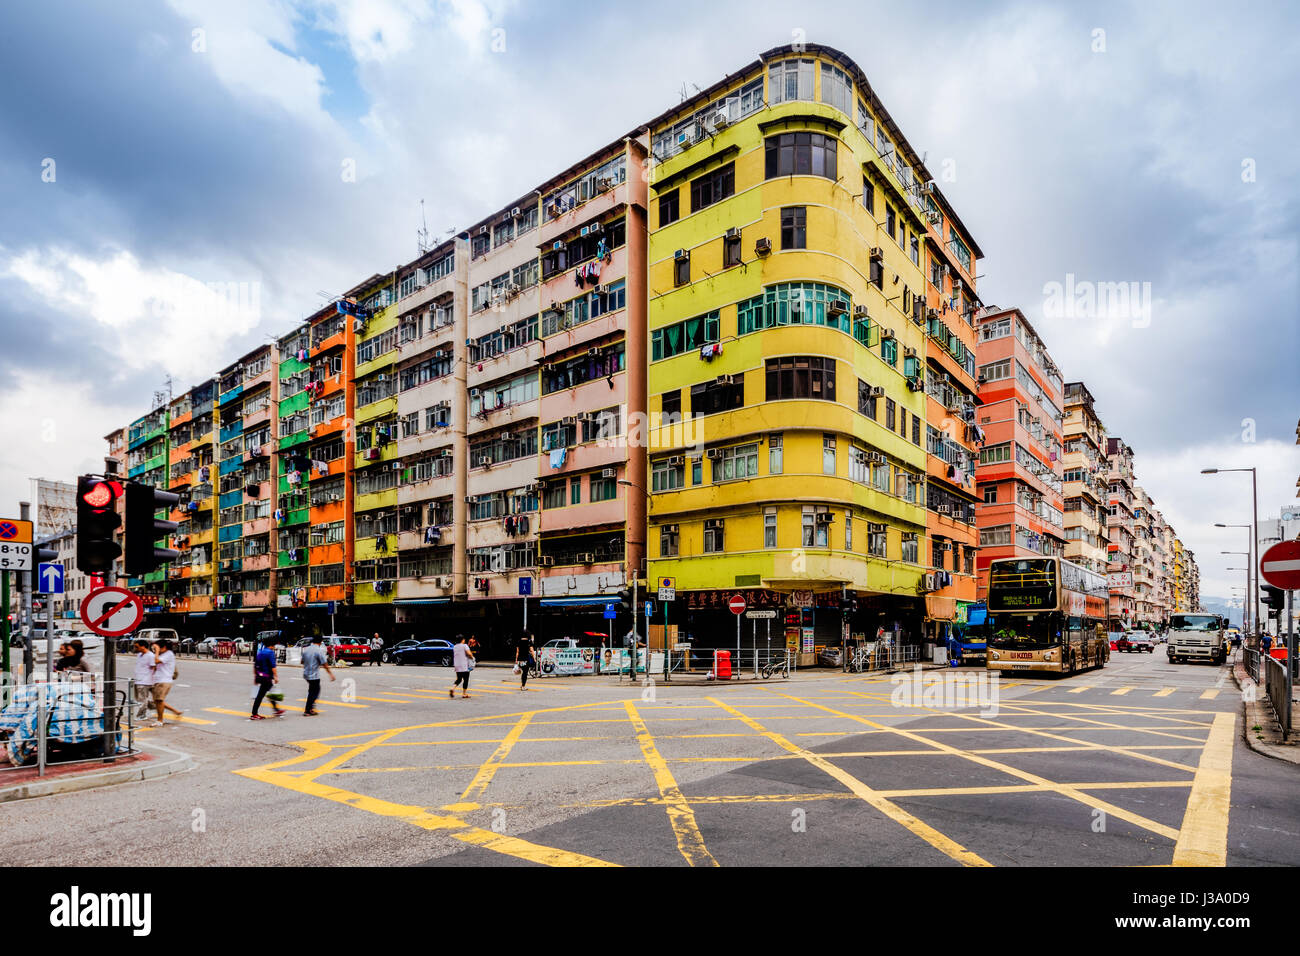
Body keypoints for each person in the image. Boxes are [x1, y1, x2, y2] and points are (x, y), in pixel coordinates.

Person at [151, 639, 183, 726]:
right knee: (158, 701)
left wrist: (157, 651)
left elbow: (156, 661)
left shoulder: (168, 654)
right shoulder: (163, 654)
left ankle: (160, 720)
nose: (155, 650)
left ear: (164, 647)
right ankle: (175, 712)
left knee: (159, 700)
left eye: (157, 648)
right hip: (158, 680)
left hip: (164, 681)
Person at [301, 635, 335, 716]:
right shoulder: (318, 651)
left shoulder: (306, 649)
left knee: (312, 691)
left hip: (306, 673)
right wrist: (330, 674)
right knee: (315, 692)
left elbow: (302, 661)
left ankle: (310, 708)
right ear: (320, 642)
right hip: (314, 675)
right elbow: (324, 663)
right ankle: (308, 710)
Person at [251, 638, 285, 719]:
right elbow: (273, 666)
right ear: (272, 645)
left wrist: (255, 677)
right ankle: (254, 714)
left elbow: (255, 666)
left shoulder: (260, 652)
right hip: (266, 677)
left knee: (268, 692)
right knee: (260, 695)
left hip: (260, 676)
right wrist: (276, 676)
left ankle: (276, 710)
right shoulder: (270, 653)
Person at [133, 640, 156, 720]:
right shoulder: (139, 654)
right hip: (138, 679)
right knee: (140, 698)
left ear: (143, 647)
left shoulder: (150, 656)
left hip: (145, 681)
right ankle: (154, 706)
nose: (135, 648)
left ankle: (141, 715)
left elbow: (154, 668)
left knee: (142, 699)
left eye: (137, 646)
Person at [450, 634, 474, 699]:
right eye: (464, 639)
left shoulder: (455, 647)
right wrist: (472, 657)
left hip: (457, 665)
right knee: (466, 680)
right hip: (464, 665)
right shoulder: (464, 646)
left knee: (459, 679)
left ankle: (452, 688)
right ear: (462, 640)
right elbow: (469, 653)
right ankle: (464, 694)